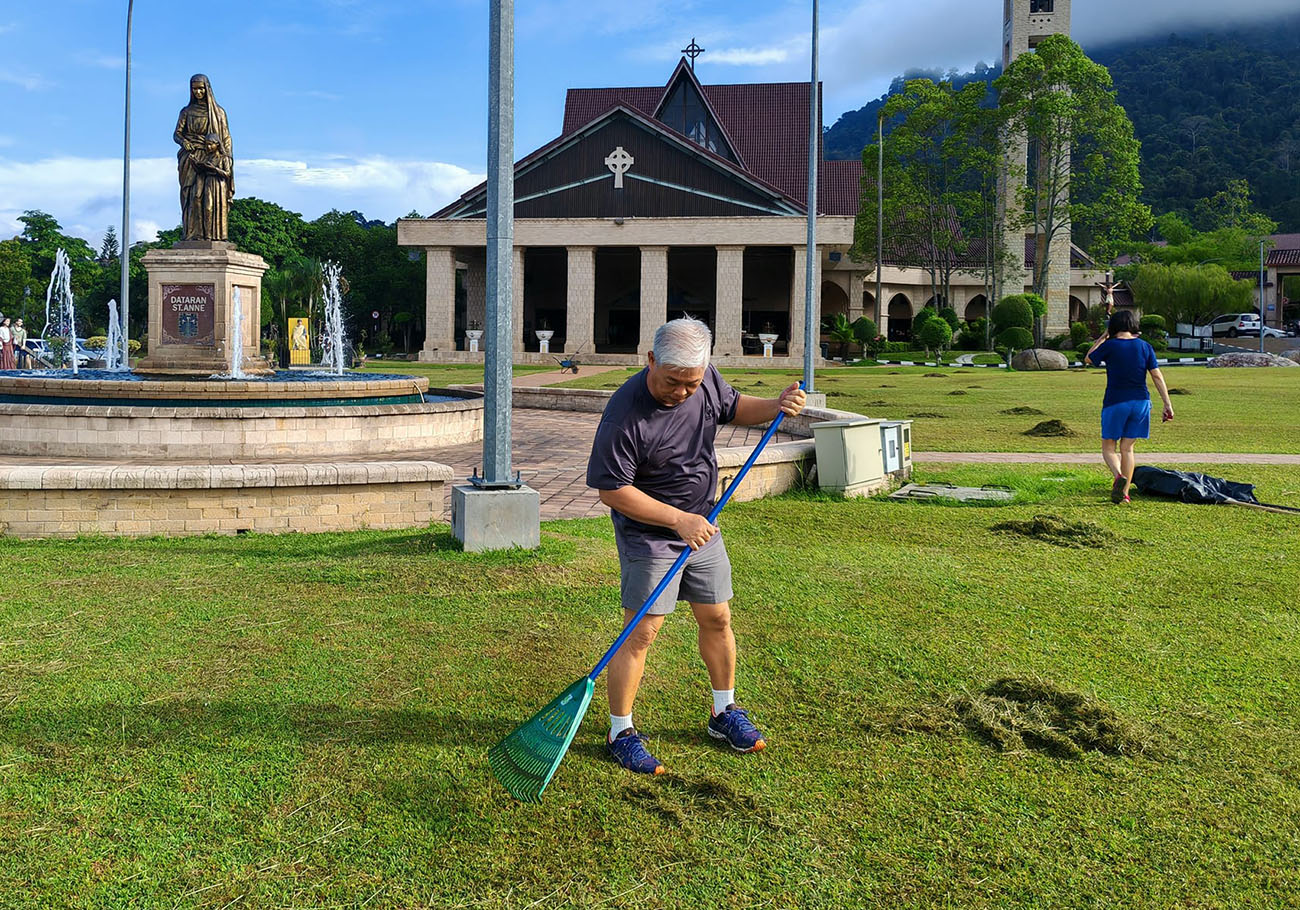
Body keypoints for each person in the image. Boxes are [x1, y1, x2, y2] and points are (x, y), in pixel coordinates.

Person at [586, 316, 806, 776]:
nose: (684, 392)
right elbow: (612, 490)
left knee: (717, 616)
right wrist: (678, 520)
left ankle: (723, 713)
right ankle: (620, 730)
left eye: (693, 382)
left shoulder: (702, 381)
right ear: (650, 361)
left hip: (702, 527)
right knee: (641, 632)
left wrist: (776, 405)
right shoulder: (625, 413)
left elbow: (735, 407)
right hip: (652, 535)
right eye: (673, 382)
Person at [1084, 309, 1174, 503]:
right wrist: (1167, 404)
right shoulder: (1145, 346)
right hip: (1141, 402)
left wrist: (1101, 338)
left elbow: (1089, 358)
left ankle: (1118, 476)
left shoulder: (1111, 345)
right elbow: (1157, 376)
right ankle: (1124, 494)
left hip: (1116, 401)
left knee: (1109, 448)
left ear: (1113, 327)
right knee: (1128, 449)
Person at [174, 74, 234, 242]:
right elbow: (177, 133)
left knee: (211, 198)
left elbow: (226, 138)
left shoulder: (218, 113)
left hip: (212, 158)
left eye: (201, 88)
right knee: (192, 196)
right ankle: (193, 234)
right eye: (195, 89)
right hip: (191, 158)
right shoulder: (186, 112)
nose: (198, 92)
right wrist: (184, 142)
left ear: (207, 89)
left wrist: (226, 159)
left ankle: (212, 234)